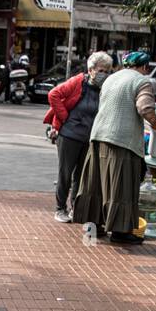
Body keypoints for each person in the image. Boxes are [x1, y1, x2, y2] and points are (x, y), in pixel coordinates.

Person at [72, 50, 156, 245]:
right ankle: (121, 232)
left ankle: (94, 227)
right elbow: (145, 107)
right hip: (122, 140)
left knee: (96, 183)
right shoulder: (141, 81)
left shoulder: (111, 79)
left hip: (98, 136)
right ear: (145, 67)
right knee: (121, 185)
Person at [44, 52, 113, 223]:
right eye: (101, 70)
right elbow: (53, 95)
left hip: (89, 139)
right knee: (65, 174)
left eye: (107, 71)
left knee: (82, 177)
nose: (104, 74)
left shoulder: (105, 89)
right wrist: (64, 117)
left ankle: (76, 208)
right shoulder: (78, 82)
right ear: (91, 70)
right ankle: (60, 209)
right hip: (69, 135)